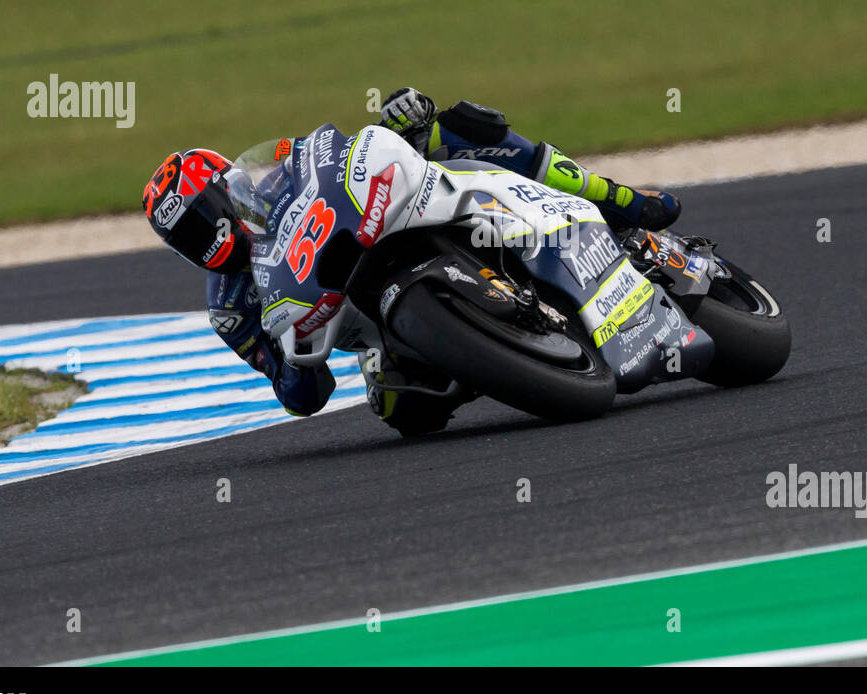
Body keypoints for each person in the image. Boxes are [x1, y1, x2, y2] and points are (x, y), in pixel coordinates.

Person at [141, 88, 682, 435]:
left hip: (401, 219)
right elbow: (301, 396)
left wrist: (404, 122)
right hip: (369, 324)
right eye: (187, 237)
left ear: (225, 189)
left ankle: (621, 201)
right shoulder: (230, 311)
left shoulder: (277, 171)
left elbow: (337, 154)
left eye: (202, 216)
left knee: (463, 127)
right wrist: (290, 365)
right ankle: (502, 349)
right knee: (404, 413)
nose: (204, 238)